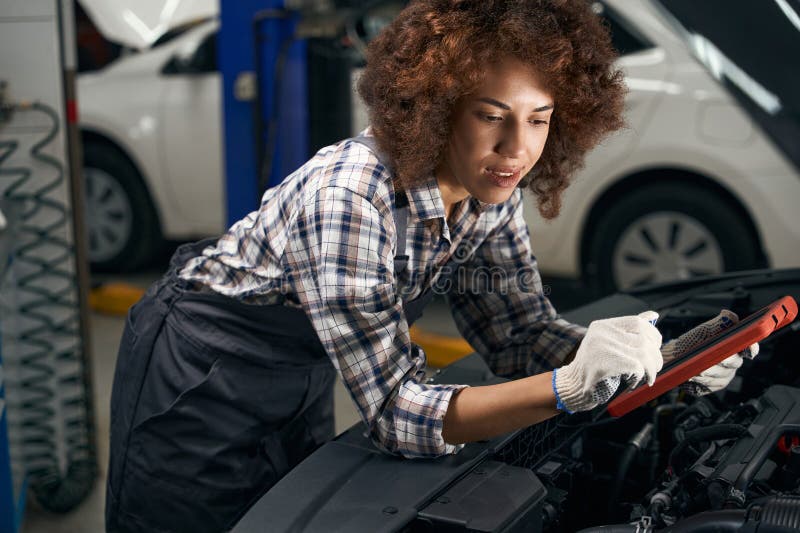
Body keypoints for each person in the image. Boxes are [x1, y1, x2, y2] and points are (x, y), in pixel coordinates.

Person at [105, 1, 755, 531]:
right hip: (201, 369)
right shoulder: (350, 201)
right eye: (492, 117)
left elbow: (522, 338)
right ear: (437, 106)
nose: (517, 149)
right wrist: (566, 387)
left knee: (282, 515)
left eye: (539, 119)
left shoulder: (489, 192)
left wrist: (663, 362)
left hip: (301, 362)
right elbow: (396, 413)